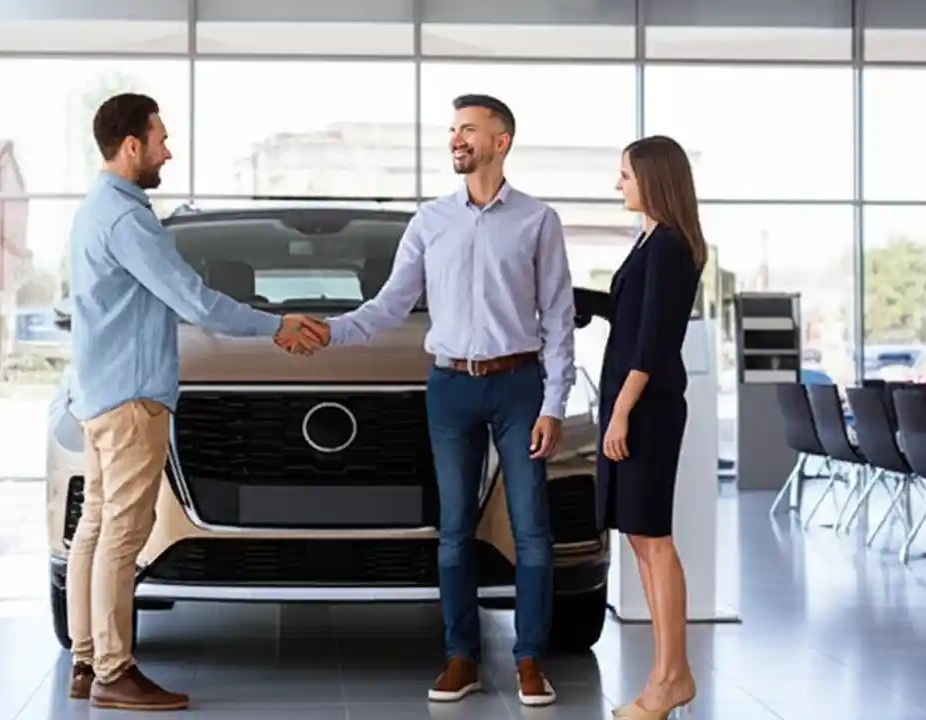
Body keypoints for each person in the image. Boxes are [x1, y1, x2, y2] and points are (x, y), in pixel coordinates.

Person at [295, 94, 576, 707]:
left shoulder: (537, 220)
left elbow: (558, 318)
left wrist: (554, 404)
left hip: (519, 385)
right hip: (449, 387)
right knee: (452, 529)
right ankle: (461, 658)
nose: (456, 139)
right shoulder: (429, 222)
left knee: (532, 528)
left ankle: (529, 660)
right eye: (452, 130)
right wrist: (331, 330)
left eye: (468, 130)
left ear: (500, 142)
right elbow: (389, 306)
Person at [64, 92, 323, 711]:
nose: (166, 150)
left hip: (99, 396)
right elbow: (195, 301)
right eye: (159, 139)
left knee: (95, 530)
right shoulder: (127, 219)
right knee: (123, 536)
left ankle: (85, 659)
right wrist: (275, 325)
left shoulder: (94, 209)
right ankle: (113, 670)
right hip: (131, 402)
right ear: (132, 146)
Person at [597, 135, 706, 720]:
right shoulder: (652, 242)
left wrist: (620, 411)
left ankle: (671, 679)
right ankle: (669, 674)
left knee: (654, 540)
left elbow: (654, 342)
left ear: (653, 179)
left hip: (647, 407)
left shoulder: (666, 246)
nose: (618, 185)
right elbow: (631, 313)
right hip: (637, 403)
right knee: (641, 537)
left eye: (624, 176)